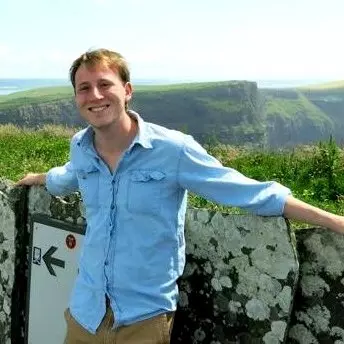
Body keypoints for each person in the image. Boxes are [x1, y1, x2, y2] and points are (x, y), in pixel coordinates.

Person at [16, 48, 344, 344]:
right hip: (84, 313)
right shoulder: (81, 147)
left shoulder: (173, 150)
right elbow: (69, 176)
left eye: (105, 84)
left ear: (126, 91)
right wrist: (39, 178)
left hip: (143, 318)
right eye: (84, 88)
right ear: (76, 97)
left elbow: (246, 191)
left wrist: (332, 219)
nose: (95, 95)